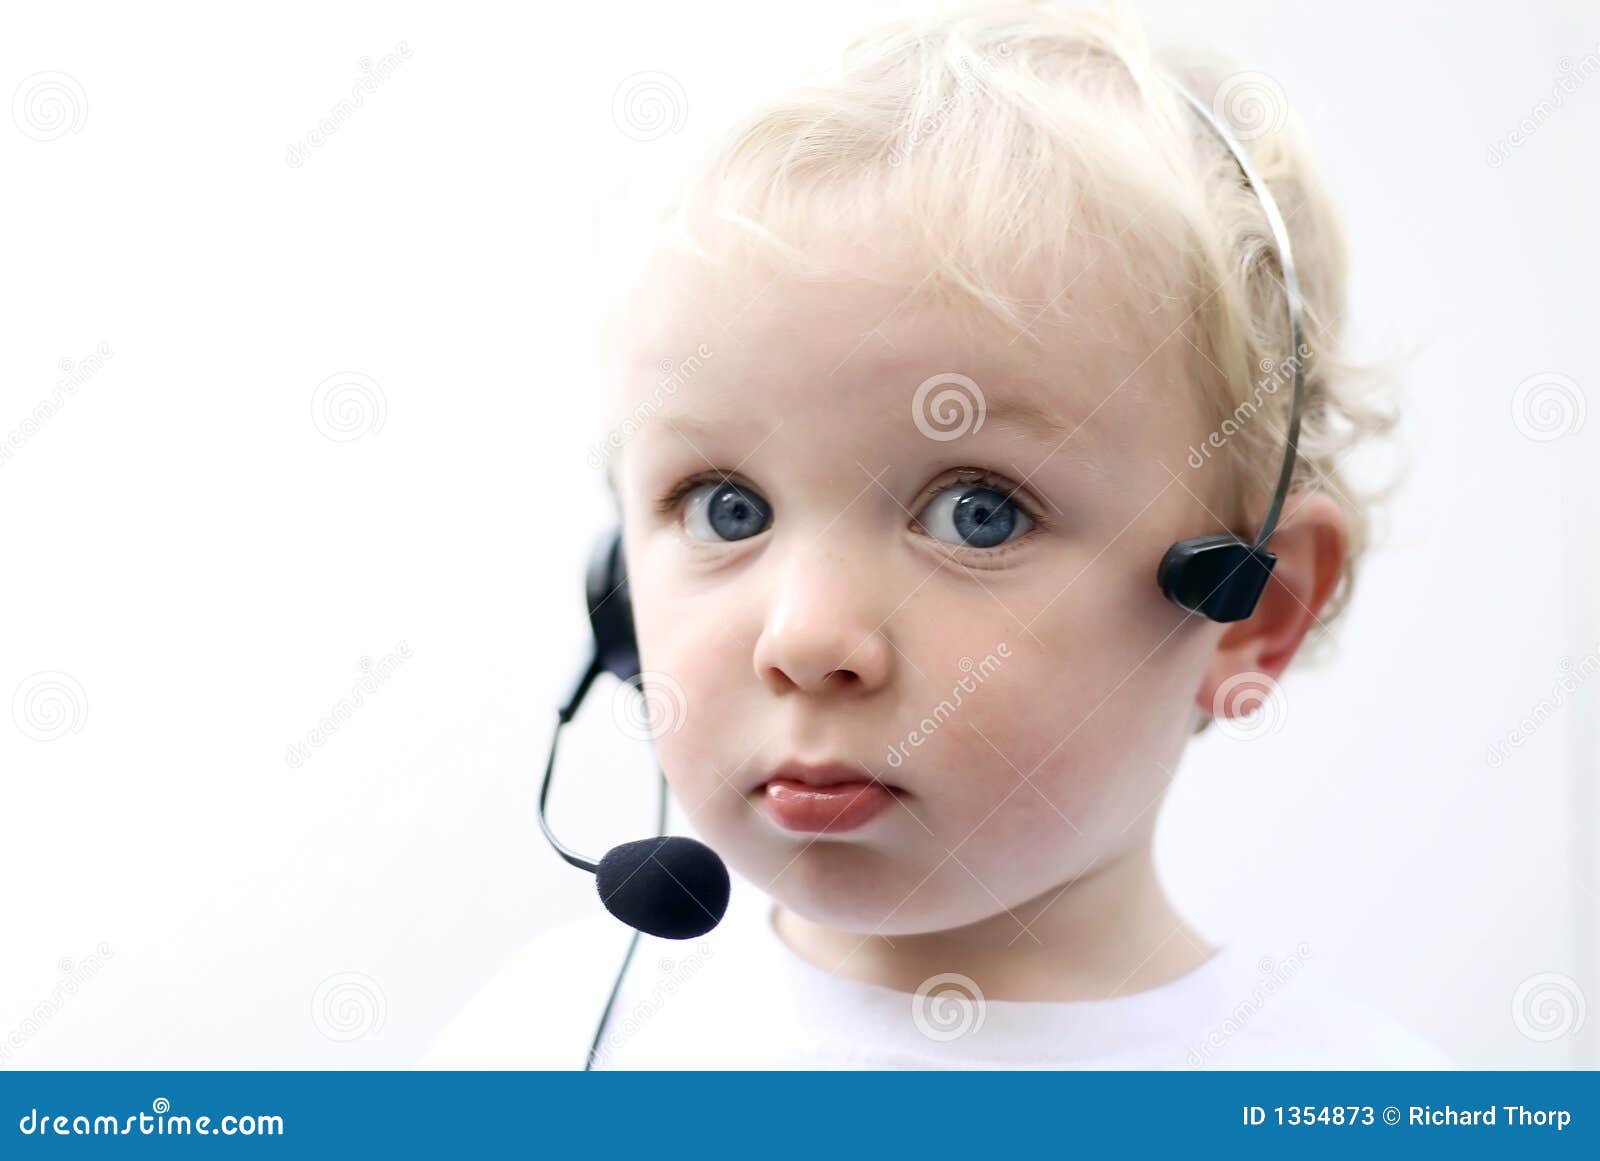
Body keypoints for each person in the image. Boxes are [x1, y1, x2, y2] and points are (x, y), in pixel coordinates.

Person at [424, 0, 1451, 1069]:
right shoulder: (542, 1044)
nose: (809, 640)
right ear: (617, 594)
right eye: (727, 508)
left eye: (979, 512)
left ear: (1251, 612)